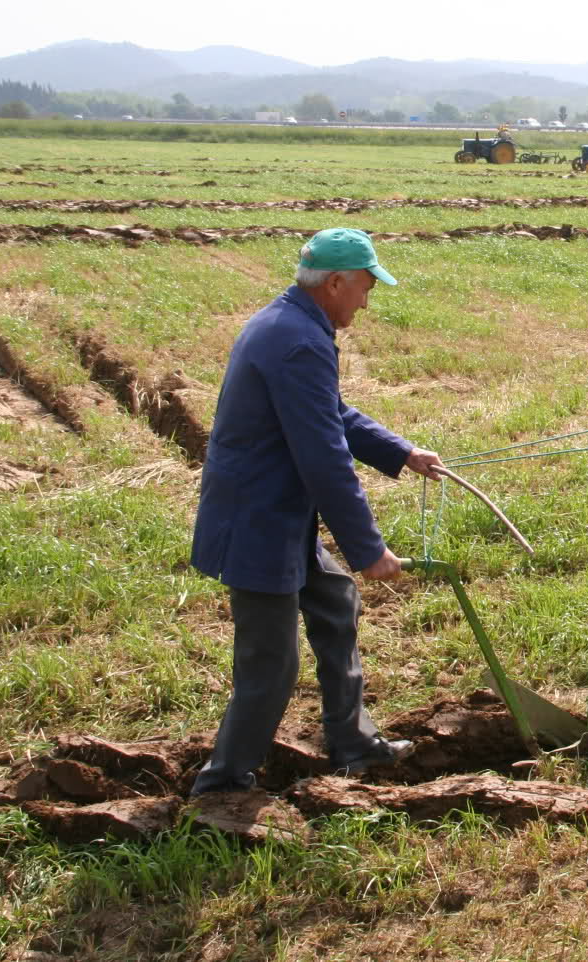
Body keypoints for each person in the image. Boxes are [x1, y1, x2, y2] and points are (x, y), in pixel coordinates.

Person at [189, 228, 443, 795]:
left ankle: (352, 743)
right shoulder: (299, 340)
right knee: (271, 664)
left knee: (333, 600)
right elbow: (323, 456)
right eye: (364, 287)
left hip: (277, 514)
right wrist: (367, 547)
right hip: (258, 521)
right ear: (334, 283)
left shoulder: (288, 322)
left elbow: (329, 413)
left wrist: (401, 453)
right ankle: (224, 781)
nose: (367, 300)